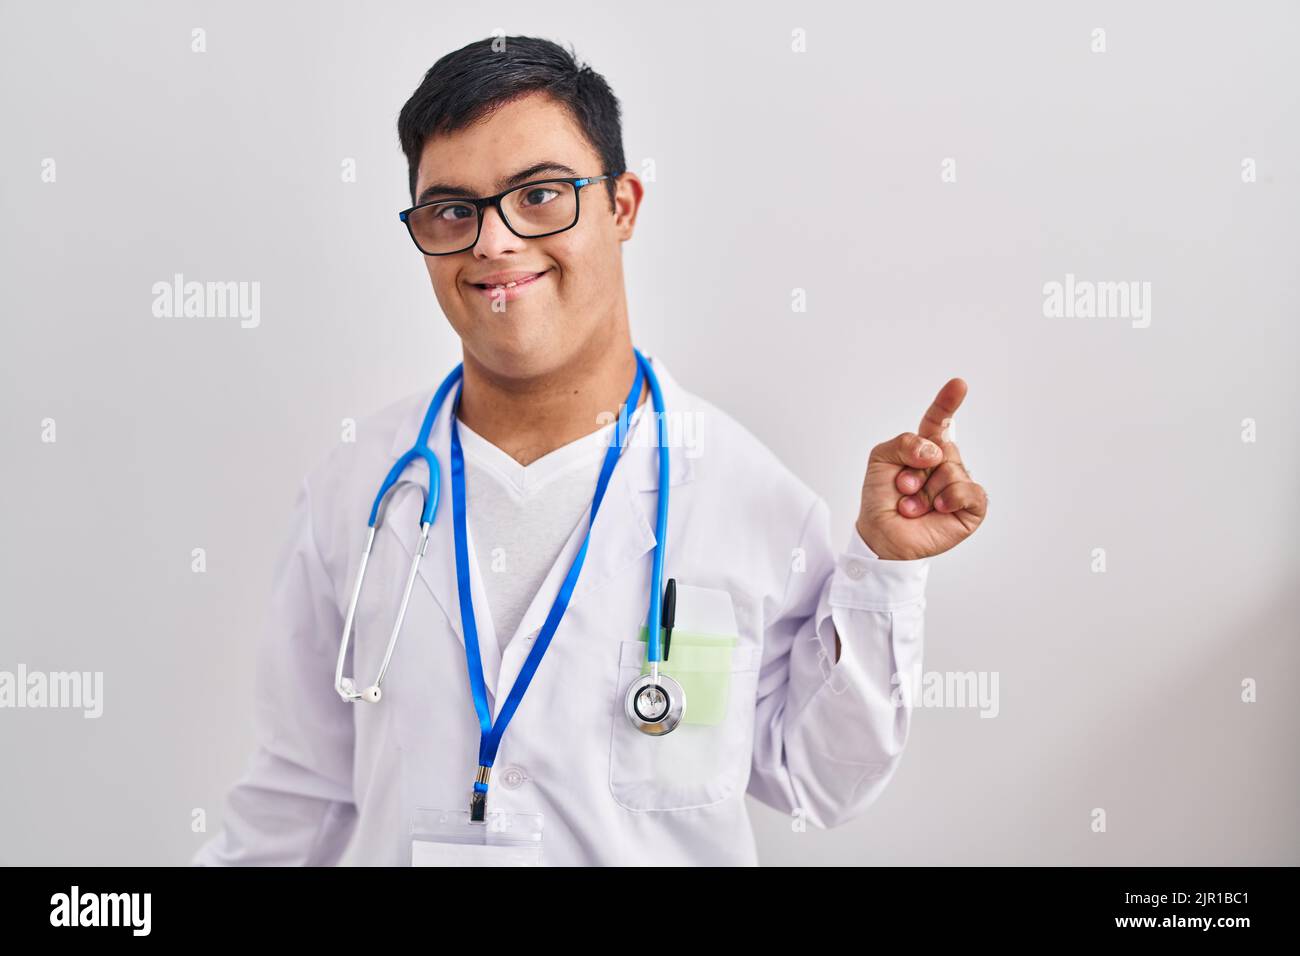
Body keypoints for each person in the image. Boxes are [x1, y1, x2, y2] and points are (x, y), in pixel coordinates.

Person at [194, 35, 987, 866]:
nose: (493, 243)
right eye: (454, 210)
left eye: (539, 195)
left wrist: (885, 569)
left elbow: (821, 781)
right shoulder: (355, 489)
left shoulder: (747, 497)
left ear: (623, 206)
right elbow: (298, 801)